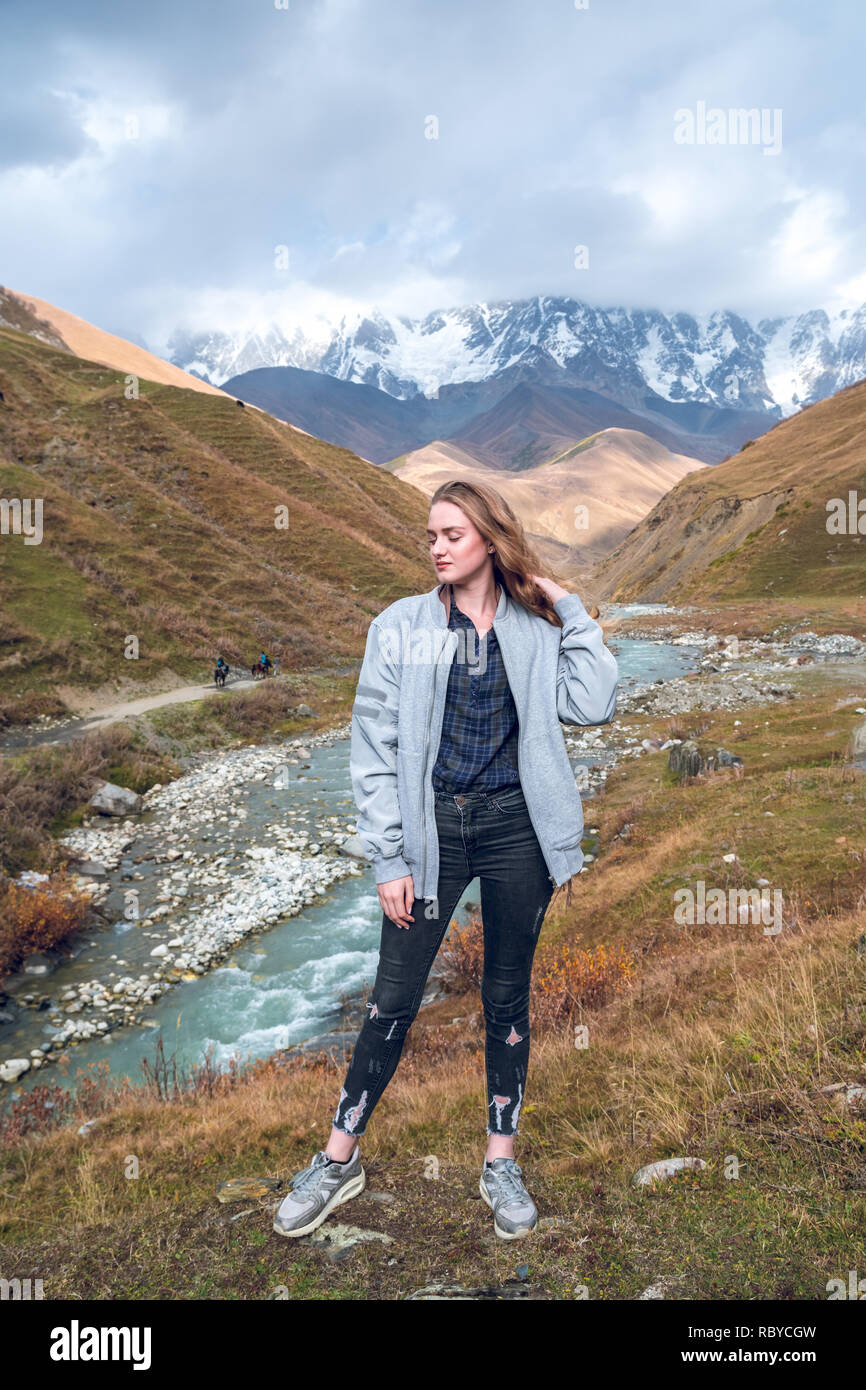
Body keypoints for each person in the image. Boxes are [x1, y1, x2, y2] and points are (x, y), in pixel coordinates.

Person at [273, 479, 618, 1242]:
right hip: (429, 835)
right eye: (430, 535)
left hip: (516, 831)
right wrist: (387, 857)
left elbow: (593, 702)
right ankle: (338, 1158)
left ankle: (501, 1161)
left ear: (490, 540)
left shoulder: (533, 626)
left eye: (452, 535)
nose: (436, 548)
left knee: (505, 997)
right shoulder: (401, 626)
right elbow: (372, 748)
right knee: (391, 1000)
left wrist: (571, 607)